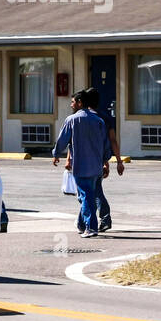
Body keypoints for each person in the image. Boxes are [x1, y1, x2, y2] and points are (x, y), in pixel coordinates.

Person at [53, 89, 112, 237]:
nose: (71, 104)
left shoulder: (71, 120)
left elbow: (62, 140)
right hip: (96, 166)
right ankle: (81, 224)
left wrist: (56, 154)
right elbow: (106, 144)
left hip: (81, 166)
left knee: (85, 196)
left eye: (73, 102)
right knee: (89, 195)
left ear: (80, 103)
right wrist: (105, 161)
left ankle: (91, 227)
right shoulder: (98, 121)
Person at [83, 87, 122, 232]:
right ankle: (87, 220)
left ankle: (102, 219)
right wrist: (118, 162)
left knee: (93, 191)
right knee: (92, 191)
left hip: (87, 160)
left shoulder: (83, 117)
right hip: (99, 159)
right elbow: (112, 141)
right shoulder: (105, 117)